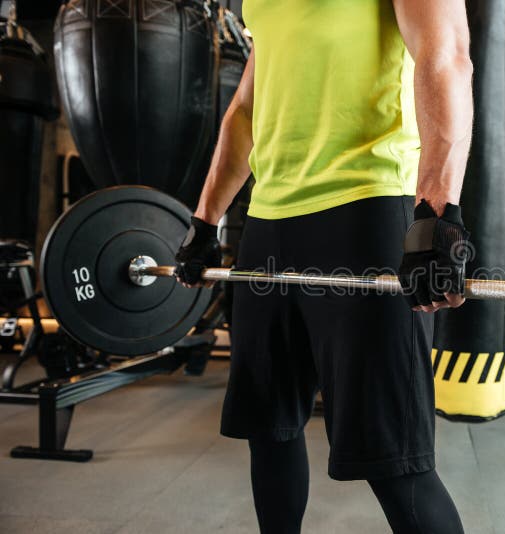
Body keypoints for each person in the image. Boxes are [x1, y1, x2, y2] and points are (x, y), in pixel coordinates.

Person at [174, 1, 474, 532]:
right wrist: (204, 220)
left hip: (365, 212)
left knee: (395, 460)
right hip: (267, 222)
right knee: (269, 433)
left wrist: (436, 213)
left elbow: (444, 54)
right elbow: (246, 107)